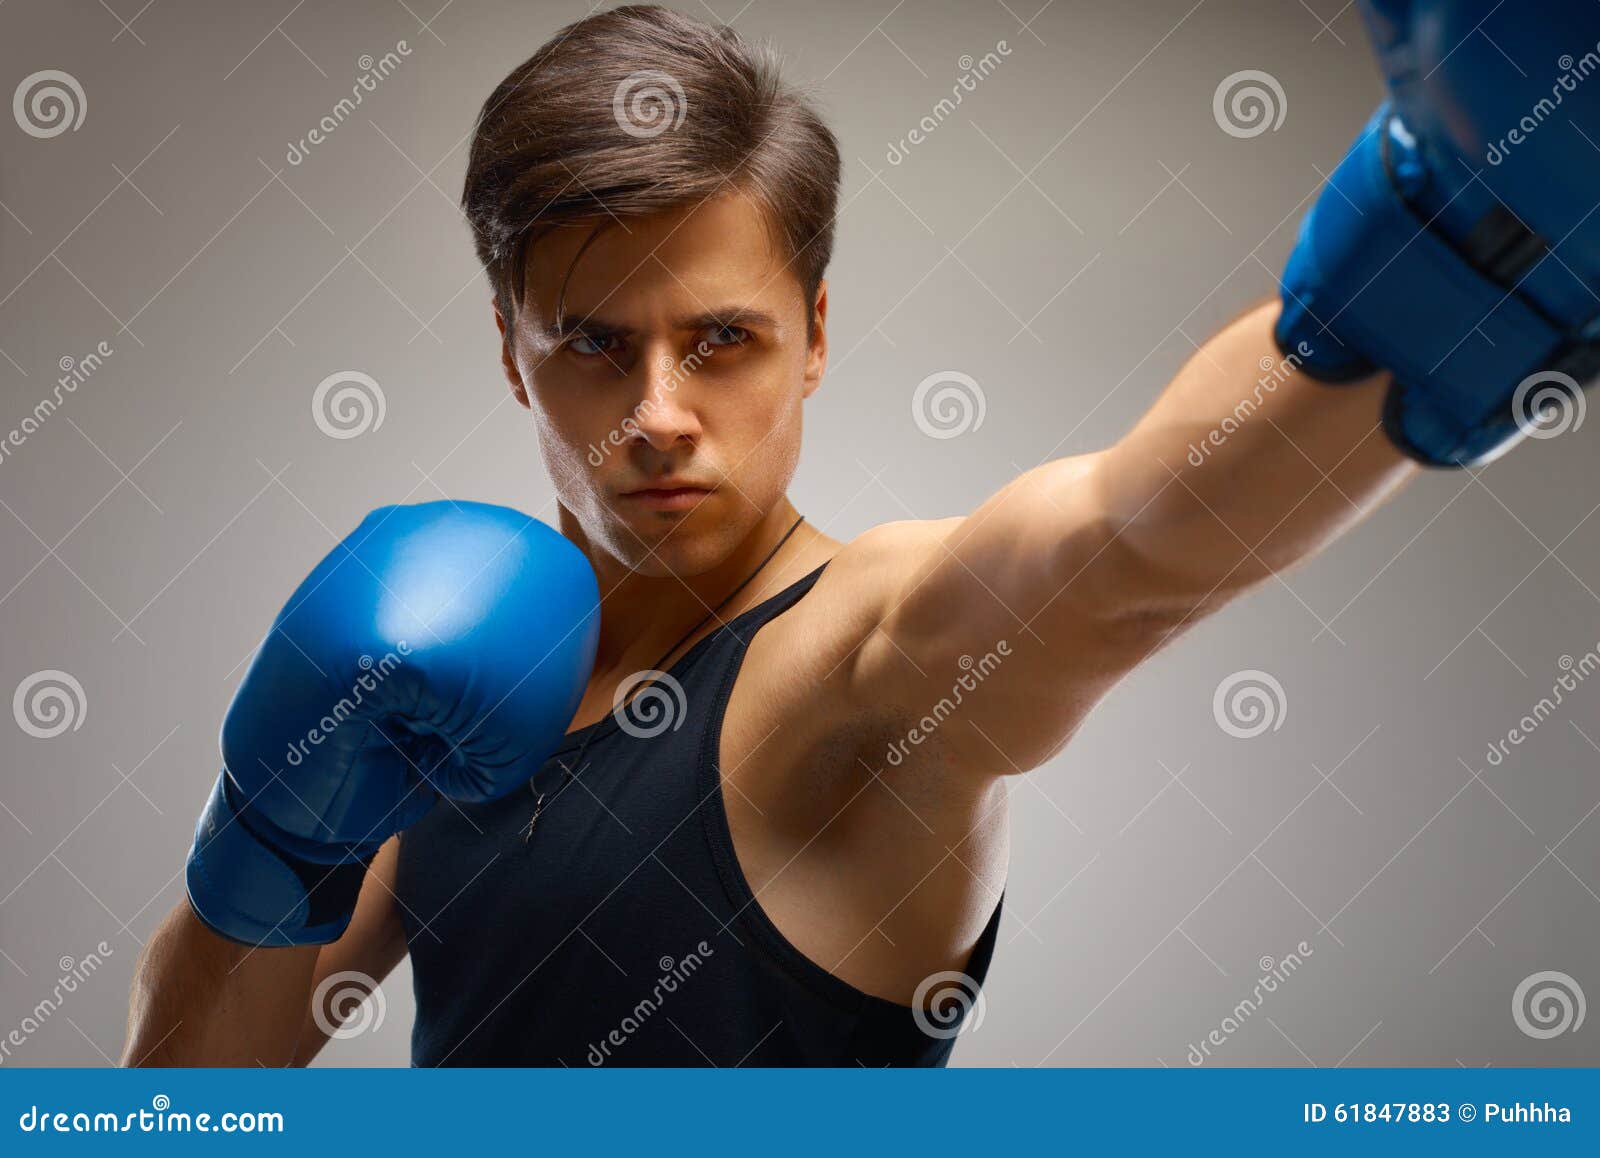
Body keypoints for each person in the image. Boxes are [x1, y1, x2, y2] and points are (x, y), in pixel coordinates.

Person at [122, 2, 1599, 1066]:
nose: (657, 413)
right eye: (590, 343)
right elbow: (191, 1103)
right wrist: (267, 829)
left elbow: (1137, 538)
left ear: (814, 336)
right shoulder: (446, 694)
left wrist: (1466, 242)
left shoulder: (865, 656)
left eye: (720, 341)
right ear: (512, 353)